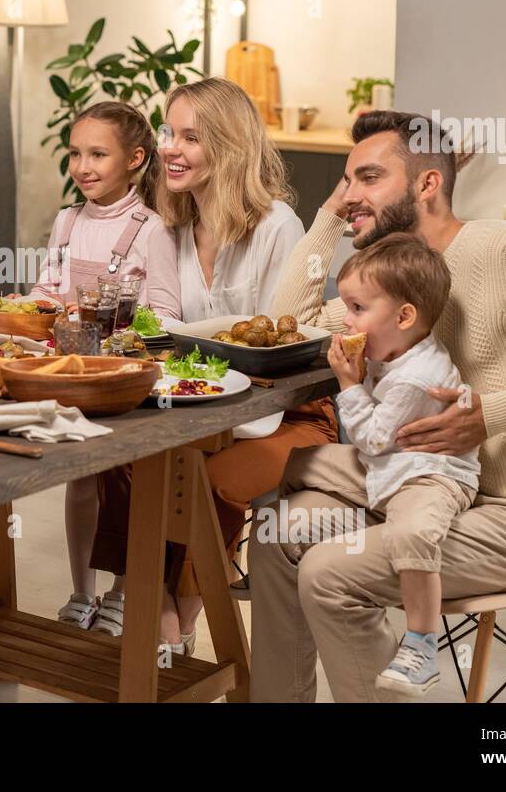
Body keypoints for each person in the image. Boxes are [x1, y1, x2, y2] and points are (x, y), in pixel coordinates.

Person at [254, 109, 506, 702]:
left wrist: (493, 414)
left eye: (368, 178)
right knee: (275, 531)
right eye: (347, 181)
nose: (351, 195)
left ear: (427, 184)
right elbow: (293, 324)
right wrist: (329, 215)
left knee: (327, 569)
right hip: (422, 489)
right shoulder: (395, 282)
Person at [89, 78, 338, 653]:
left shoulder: (278, 227)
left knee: (210, 481)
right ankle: (156, 609)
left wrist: (190, 352)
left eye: (191, 137)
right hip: (199, 406)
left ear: (229, 146)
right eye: (169, 133)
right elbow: (158, 325)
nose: (170, 148)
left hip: (290, 413)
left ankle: (180, 614)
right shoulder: (165, 227)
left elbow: (285, 338)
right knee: (117, 455)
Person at [20, 102, 180, 634]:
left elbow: (166, 313)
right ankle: (81, 591)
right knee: (82, 480)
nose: (83, 167)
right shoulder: (67, 221)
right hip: (71, 376)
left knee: (125, 483)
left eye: (97, 155)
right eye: (75, 154)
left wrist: (123, 331)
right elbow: (48, 289)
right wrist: (36, 306)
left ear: (135, 159)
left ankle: (121, 589)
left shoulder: (151, 228)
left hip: (120, 380)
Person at [324, 232, 480, 696]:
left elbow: (370, 439)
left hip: (430, 478)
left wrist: (348, 385)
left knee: (412, 533)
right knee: (300, 467)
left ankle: (421, 645)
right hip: (392, 468)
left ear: (404, 316)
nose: (346, 321)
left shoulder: (415, 377)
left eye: (356, 308)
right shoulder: (392, 352)